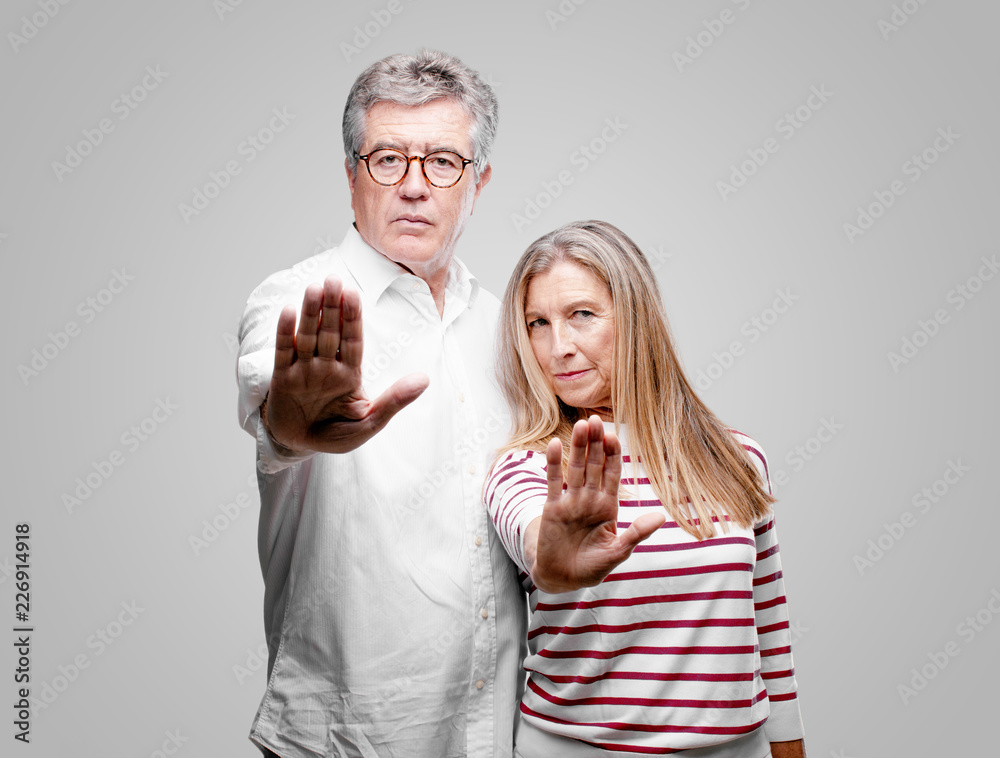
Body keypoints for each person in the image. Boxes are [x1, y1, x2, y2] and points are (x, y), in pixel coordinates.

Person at [236, 51, 526, 758]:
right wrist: (293, 423)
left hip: (504, 729)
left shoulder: (507, 324)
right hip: (349, 737)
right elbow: (273, 405)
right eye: (388, 159)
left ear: (478, 182)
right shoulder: (296, 304)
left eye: (443, 163)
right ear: (351, 175)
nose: (415, 187)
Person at [484, 220, 807, 757]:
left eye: (581, 315)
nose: (558, 346)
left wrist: (790, 744)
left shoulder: (738, 457)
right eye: (537, 323)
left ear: (635, 319)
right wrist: (553, 557)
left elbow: (768, 618)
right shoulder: (530, 467)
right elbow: (534, 537)